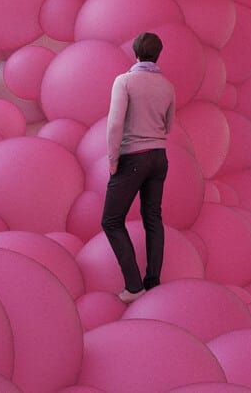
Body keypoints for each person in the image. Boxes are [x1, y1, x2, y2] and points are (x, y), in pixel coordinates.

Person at [101, 32, 175, 303]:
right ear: (158, 54)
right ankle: (153, 281)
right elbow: (169, 126)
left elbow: (115, 124)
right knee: (153, 218)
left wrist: (112, 159)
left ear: (136, 53)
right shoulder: (167, 85)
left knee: (111, 220)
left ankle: (133, 286)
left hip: (133, 157)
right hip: (159, 156)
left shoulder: (125, 81)